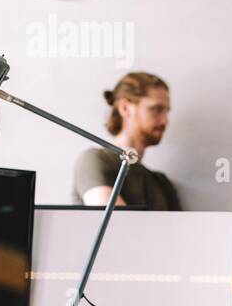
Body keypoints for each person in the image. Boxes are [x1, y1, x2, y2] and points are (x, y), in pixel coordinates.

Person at [73, 71, 181, 210]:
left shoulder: (162, 183)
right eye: (156, 109)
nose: (165, 120)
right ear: (125, 108)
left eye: (167, 111)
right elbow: (115, 226)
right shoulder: (95, 160)